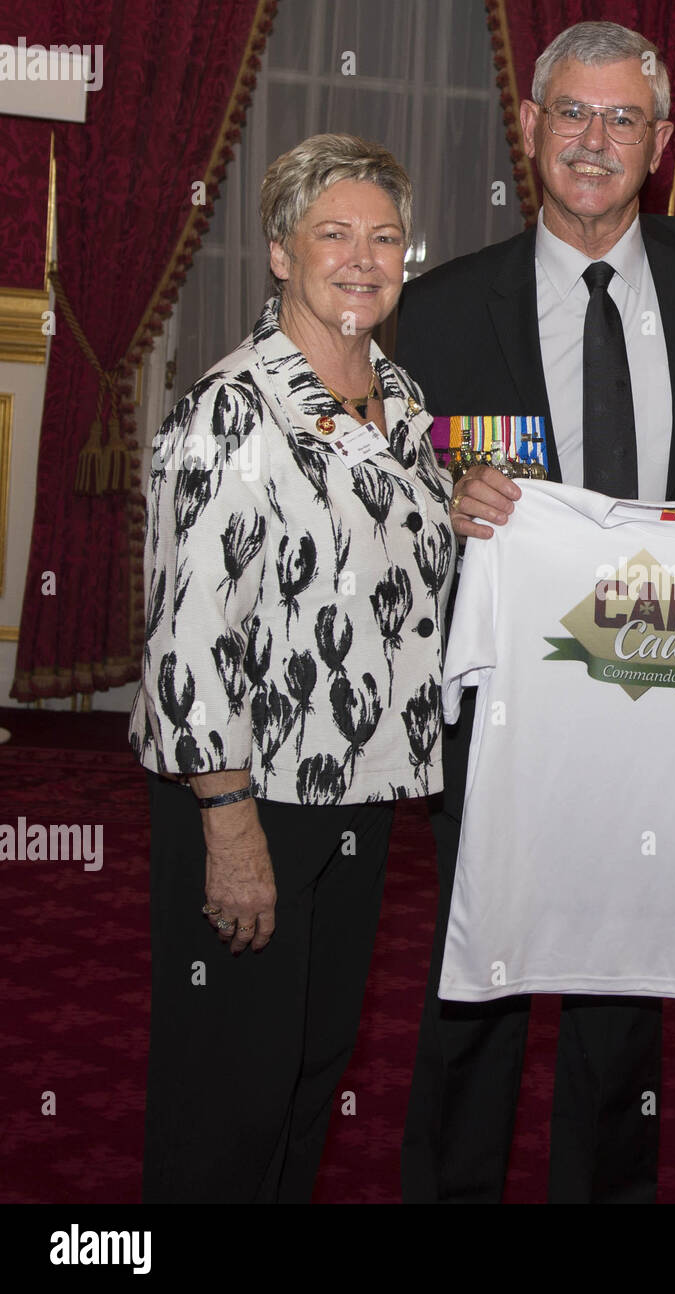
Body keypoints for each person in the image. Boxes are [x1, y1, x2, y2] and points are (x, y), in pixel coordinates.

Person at [395, 20, 675, 1203]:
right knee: (480, 969)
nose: (594, 141)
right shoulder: (443, 307)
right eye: (571, 113)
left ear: (660, 143)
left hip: (668, 685)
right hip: (505, 698)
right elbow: (391, 500)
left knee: (627, 974)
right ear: (529, 128)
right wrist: (442, 500)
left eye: (623, 119)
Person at [130, 134, 454, 1203]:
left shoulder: (403, 402)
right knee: (228, 1091)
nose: (362, 259)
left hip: (361, 796)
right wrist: (228, 828)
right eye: (333, 235)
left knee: (311, 1074)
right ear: (280, 254)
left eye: (384, 237)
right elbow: (186, 634)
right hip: (248, 798)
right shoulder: (233, 407)